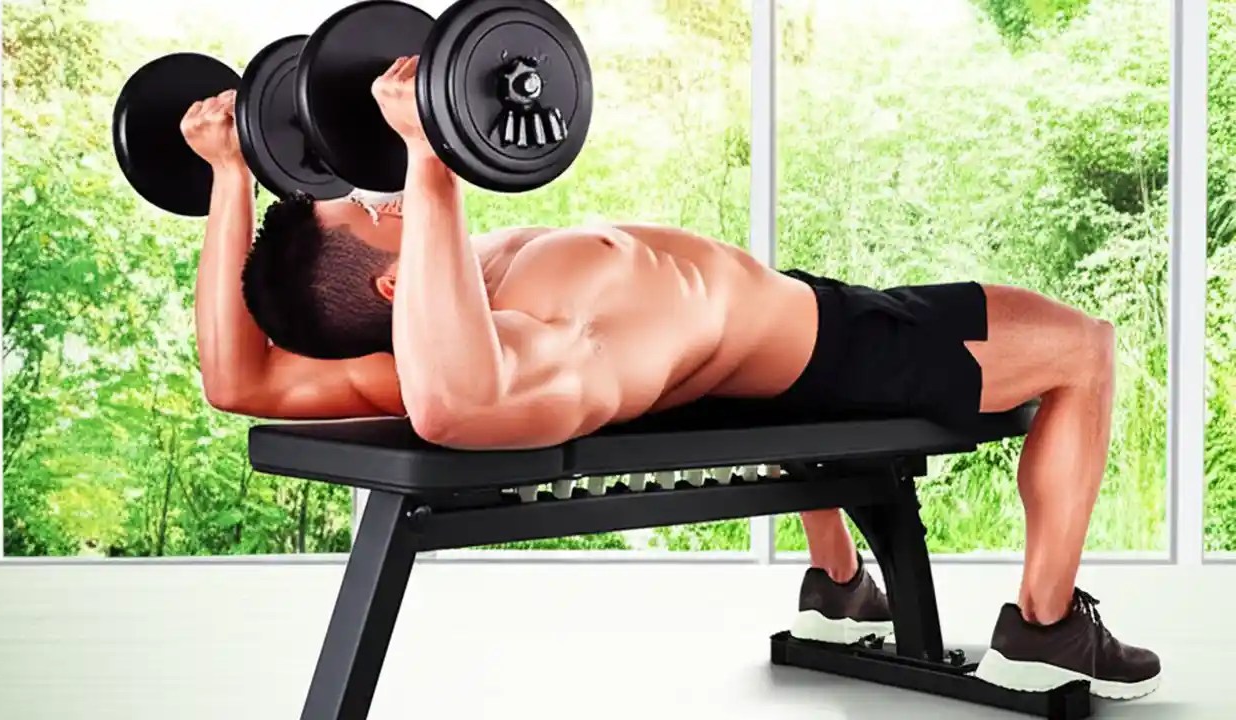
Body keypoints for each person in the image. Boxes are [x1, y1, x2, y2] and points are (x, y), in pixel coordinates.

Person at [181, 57, 1160, 699]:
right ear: (394, 284)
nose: (387, 194)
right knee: (1082, 348)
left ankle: (838, 589)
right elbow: (456, 405)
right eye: (369, 209)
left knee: (792, 379)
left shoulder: (443, 310)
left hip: (791, 333)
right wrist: (431, 163)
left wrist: (230, 176)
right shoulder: (514, 347)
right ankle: (1045, 629)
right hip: (841, 348)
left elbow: (238, 378)